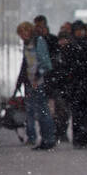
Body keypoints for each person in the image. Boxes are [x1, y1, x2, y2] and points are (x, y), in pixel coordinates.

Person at [17, 21, 56, 150]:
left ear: (29, 31)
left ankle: (48, 139)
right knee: (34, 111)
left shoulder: (39, 42)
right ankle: (41, 138)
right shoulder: (27, 44)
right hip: (30, 82)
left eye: (24, 32)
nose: (22, 36)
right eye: (20, 34)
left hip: (39, 82)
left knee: (43, 111)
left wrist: (37, 77)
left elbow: (46, 63)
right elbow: (26, 64)